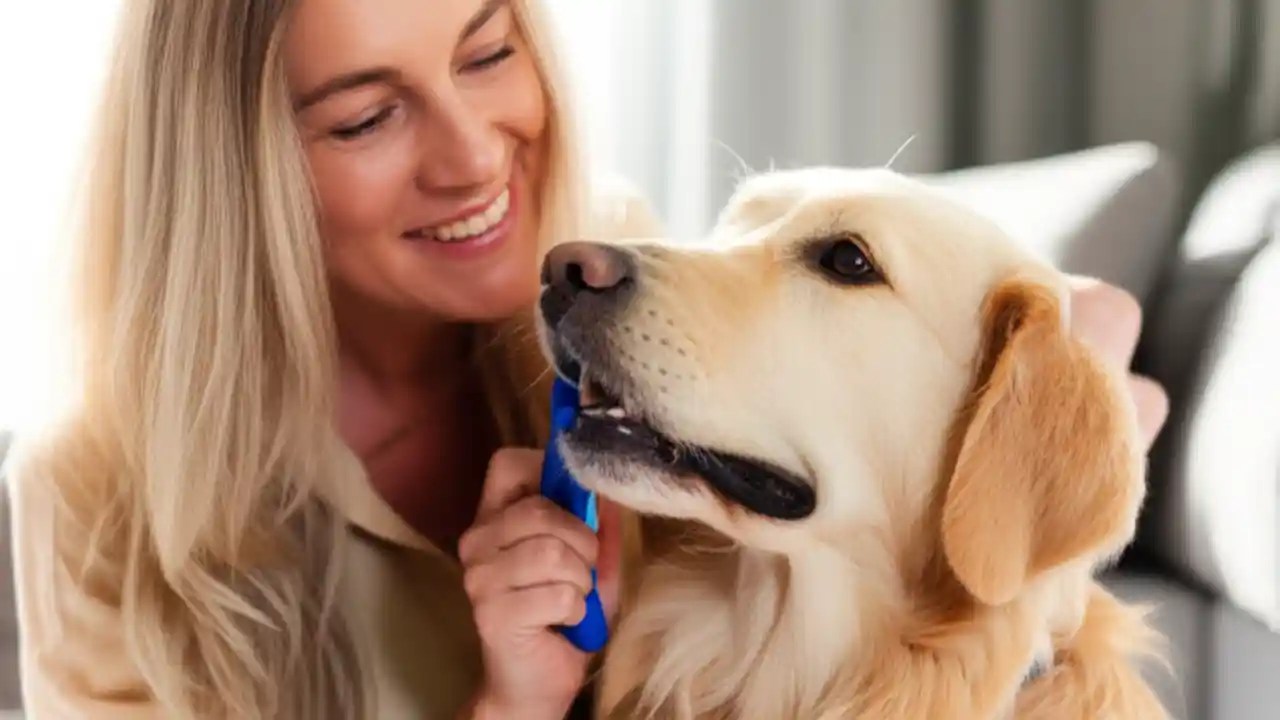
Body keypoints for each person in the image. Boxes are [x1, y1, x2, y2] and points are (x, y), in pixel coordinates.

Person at [3, 0, 1170, 718]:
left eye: (488, 50)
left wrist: (1060, 407)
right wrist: (515, 702)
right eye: (366, 117)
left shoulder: (603, 287)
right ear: (233, 175)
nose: (473, 160)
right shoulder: (94, 495)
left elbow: (1078, 345)